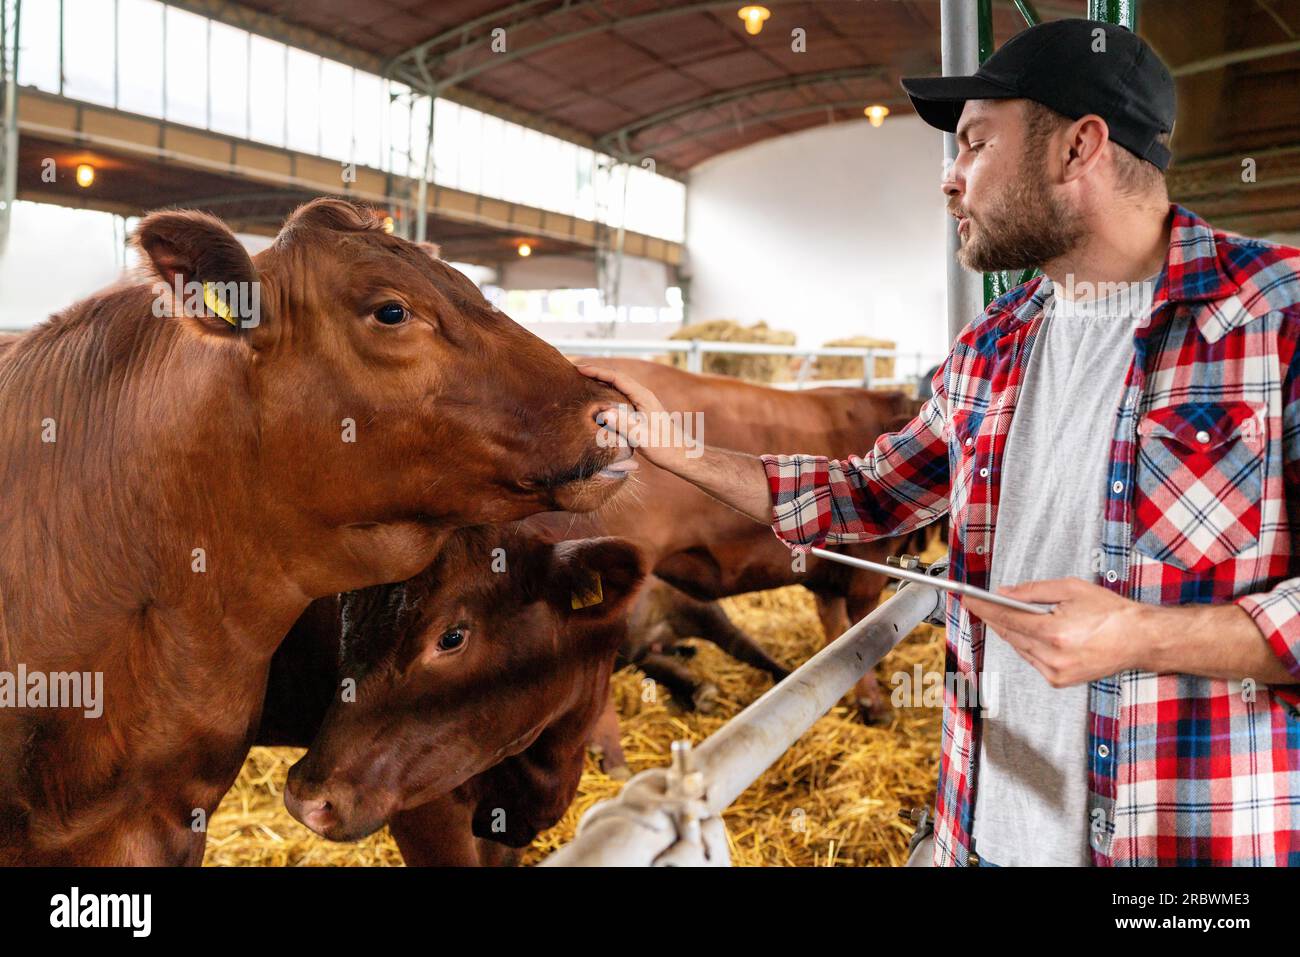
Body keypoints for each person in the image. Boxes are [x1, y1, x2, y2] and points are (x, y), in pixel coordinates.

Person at [579, 19, 1300, 867]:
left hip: (1186, 856)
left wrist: (1140, 636)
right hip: (980, 835)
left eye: (973, 144)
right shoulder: (992, 346)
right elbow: (868, 495)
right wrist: (683, 451)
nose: (950, 182)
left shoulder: (1275, 318)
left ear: (1079, 147)